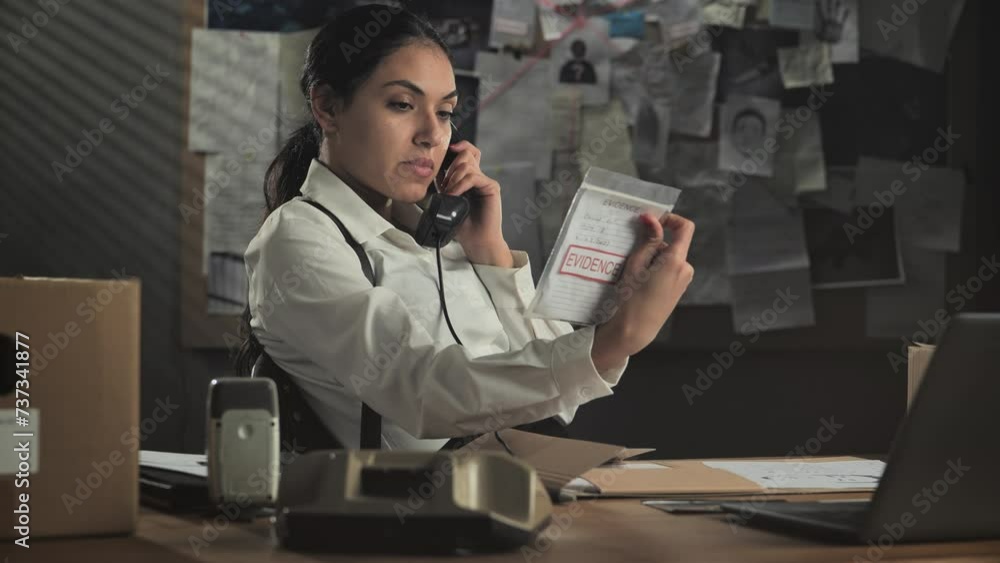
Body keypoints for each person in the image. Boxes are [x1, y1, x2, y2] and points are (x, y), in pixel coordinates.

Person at [236, 4, 695, 451]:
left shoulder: (441, 235)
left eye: (445, 112)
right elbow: (422, 393)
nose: (433, 135)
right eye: (402, 104)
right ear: (327, 107)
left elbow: (556, 400)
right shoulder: (297, 237)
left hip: (514, 493)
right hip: (411, 516)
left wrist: (490, 253)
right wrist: (616, 341)